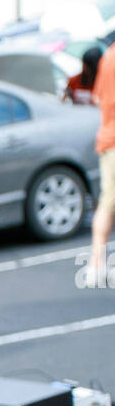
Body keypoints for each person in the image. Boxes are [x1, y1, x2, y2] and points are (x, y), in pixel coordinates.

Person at [91, 41, 115, 284]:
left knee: (107, 201)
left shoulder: (108, 56)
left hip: (108, 138)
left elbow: (98, 98)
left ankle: (96, 263)